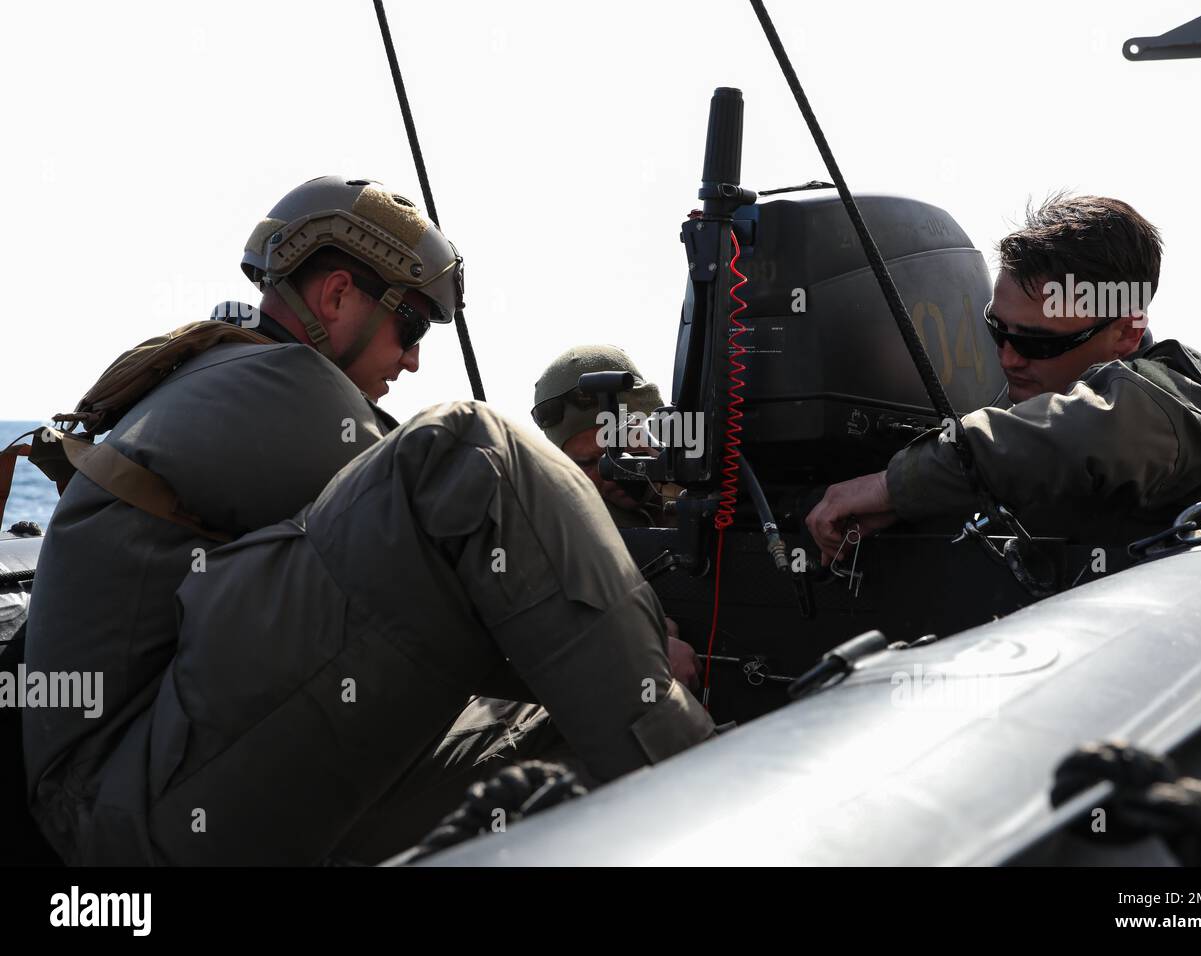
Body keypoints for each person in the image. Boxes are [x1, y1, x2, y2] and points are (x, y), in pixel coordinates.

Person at [23, 176, 713, 866]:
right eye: (410, 325)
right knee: (471, 447)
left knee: (559, 736)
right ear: (337, 296)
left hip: (169, 778)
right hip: (122, 812)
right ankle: (717, 809)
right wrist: (649, 659)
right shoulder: (272, 387)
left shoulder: (228, 374)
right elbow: (468, 499)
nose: (412, 359)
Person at [806, 194, 1201, 560]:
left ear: (1124, 331)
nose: (1008, 358)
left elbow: (1086, 433)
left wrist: (894, 486)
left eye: (1037, 342)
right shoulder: (1026, 410)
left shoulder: (1183, 399)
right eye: (997, 330)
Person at [531, 345, 673, 529]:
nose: (610, 476)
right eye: (587, 462)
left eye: (619, 449)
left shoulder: (716, 488)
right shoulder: (563, 532)